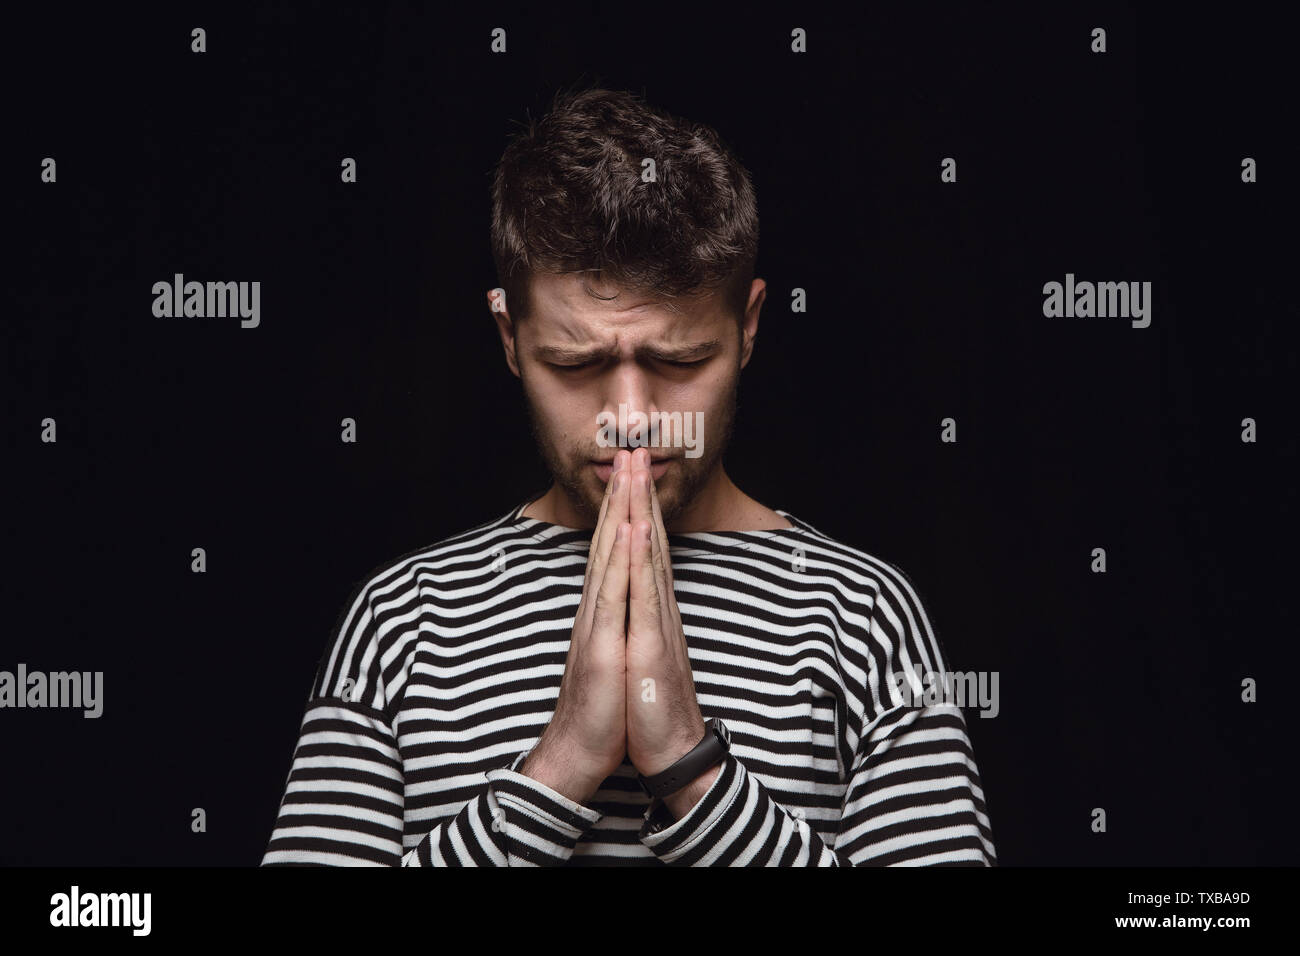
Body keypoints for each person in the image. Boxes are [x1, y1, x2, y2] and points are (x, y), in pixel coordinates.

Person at [261, 88, 996, 866]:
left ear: (747, 327)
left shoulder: (866, 616)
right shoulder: (399, 623)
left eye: (678, 361)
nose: (631, 418)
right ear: (510, 337)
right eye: (576, 364)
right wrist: (561, 767)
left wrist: (688, 764)